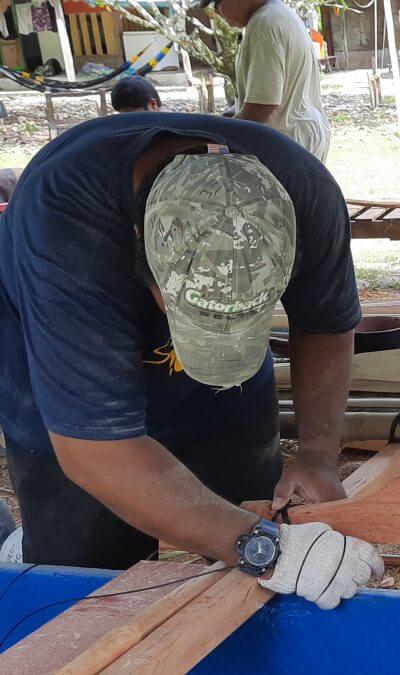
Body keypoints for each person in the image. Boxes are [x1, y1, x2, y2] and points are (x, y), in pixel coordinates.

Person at [0, 112, 378, 608]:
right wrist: (264, 549)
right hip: (61, 371)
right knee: (87, 582)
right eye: (204, 325)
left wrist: (317, 458)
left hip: (222, 403)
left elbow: (326, 323)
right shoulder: (66, 229)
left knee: (252, 541)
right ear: (138, 243)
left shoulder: (303, 194)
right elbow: (96, 451)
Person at [206, 0, 331, 161]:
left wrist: (219, 137)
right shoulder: (277, 13)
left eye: (217, 3)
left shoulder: (264, 23)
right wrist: (235, 112)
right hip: (297, 136)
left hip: (286, 142)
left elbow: (263, 105)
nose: (217, 12)